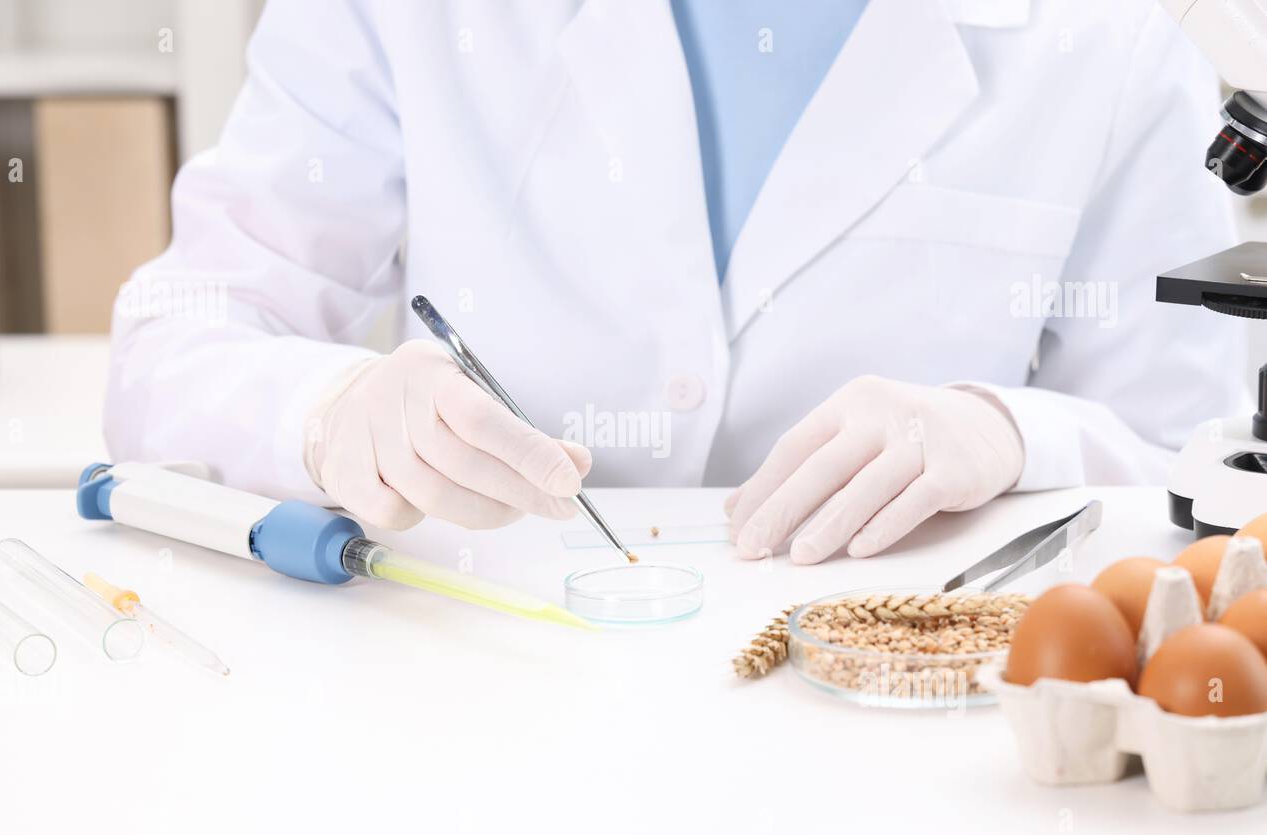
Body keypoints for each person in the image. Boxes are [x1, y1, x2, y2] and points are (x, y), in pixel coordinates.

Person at [106, 0, 1248, 566]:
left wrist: (1009, 438)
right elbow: (177, 342)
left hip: (909, 741)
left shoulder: (1109, 35)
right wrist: (330, 416)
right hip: (469, 695)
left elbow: (1207, 472)